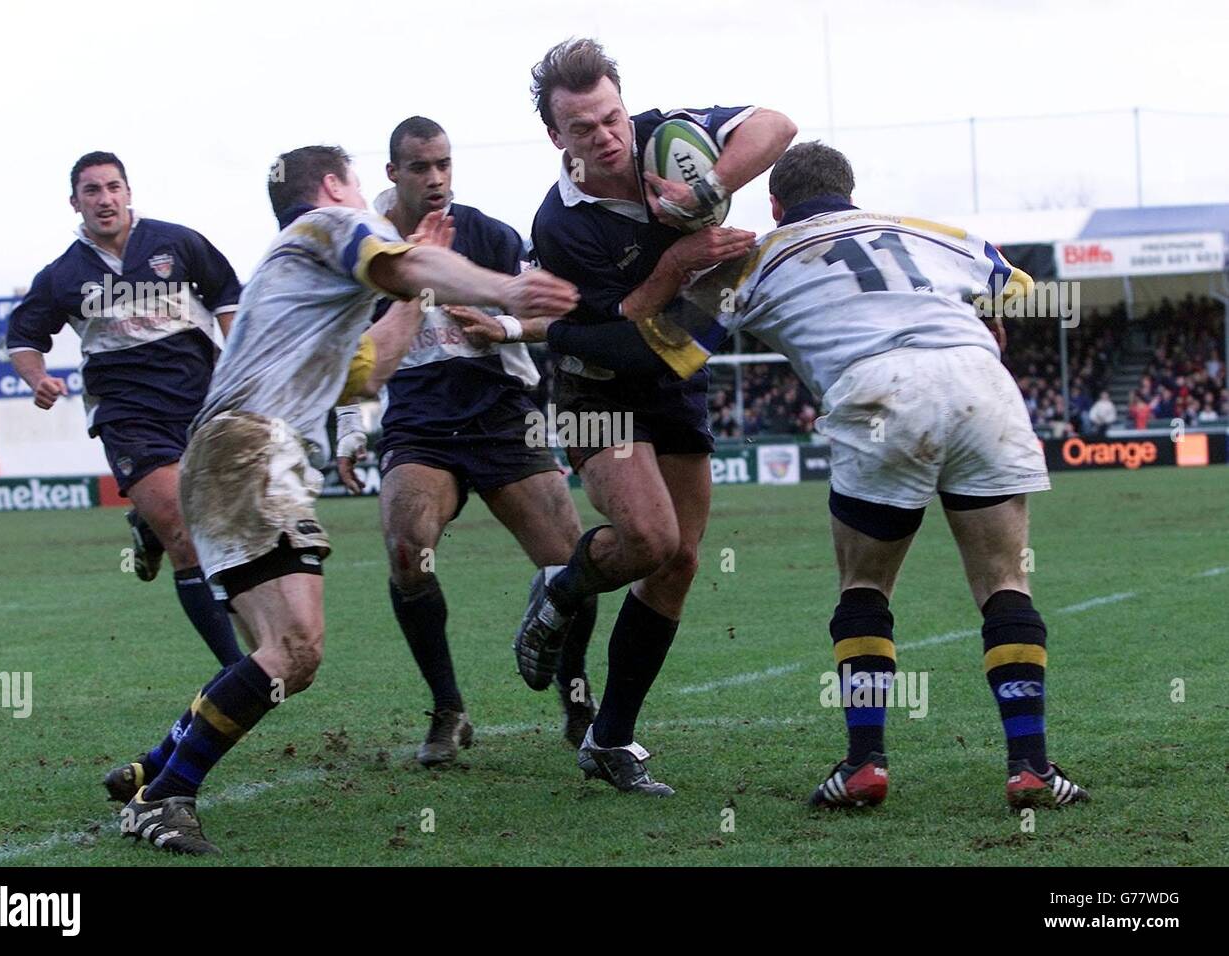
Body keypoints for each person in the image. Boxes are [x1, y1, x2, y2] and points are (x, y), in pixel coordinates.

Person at [520, 141, 1089, 812]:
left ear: (773, 204)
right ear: (851, 192)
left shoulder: (754, 257)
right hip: (981, 384)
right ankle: (1030, 769)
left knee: (867, 586)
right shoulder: (932, 231)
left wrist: (549, 332)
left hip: (879, 391)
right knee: (1003, 581)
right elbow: (1019, 294)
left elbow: (650, 354)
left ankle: (864, 766)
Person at [114, 144, 577, 854]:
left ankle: (160, 766)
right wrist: (506, 291)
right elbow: (404, 263)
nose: (366, 199)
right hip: (250, 454)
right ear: (333, 185)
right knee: (294, 651)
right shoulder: (325, 223)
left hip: (231, 455)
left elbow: (368, 375)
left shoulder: (302, 281)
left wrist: (412, 288)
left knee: (283, 652)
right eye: (360, 183)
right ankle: (168, 795)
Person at [512, 38, 795, 796]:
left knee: (680, 561)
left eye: (610, 117)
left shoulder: (669, 135)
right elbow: (627, 325)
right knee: (648, 537)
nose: (606, 138)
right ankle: (562, 589)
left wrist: (707, 189)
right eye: (583, 129)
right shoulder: (562, 224)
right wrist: (678, 262)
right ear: (556, 138)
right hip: (597, 383)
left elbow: (777, 125)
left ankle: (611, 740)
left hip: (673, 377)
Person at [333, 117, 600, 764]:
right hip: (420, 424)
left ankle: (576, 694)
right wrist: (348, 431)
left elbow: (551, 311)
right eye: (421, 167)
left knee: (572, 566)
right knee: (406, 548)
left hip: (502, 413)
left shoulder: (487, 234)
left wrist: (502, 323)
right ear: (392, 172)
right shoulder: (362, 246)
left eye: (444, 165)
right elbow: (340, 348)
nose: (436, 179)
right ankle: (448, 710)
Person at [7, 151, 243, 669]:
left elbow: (228, 294)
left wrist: (238, 360)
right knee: (184, 534)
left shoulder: (176, 243)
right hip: (127, 413)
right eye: (92, 190)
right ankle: (236, 671)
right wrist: (37, 378)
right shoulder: (63, 275)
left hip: (202, 401)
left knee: (225, 527)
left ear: (129, 193)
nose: (104, 198)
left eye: (113, 187)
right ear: (76, 202)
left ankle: (144, 524)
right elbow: (22, 337)